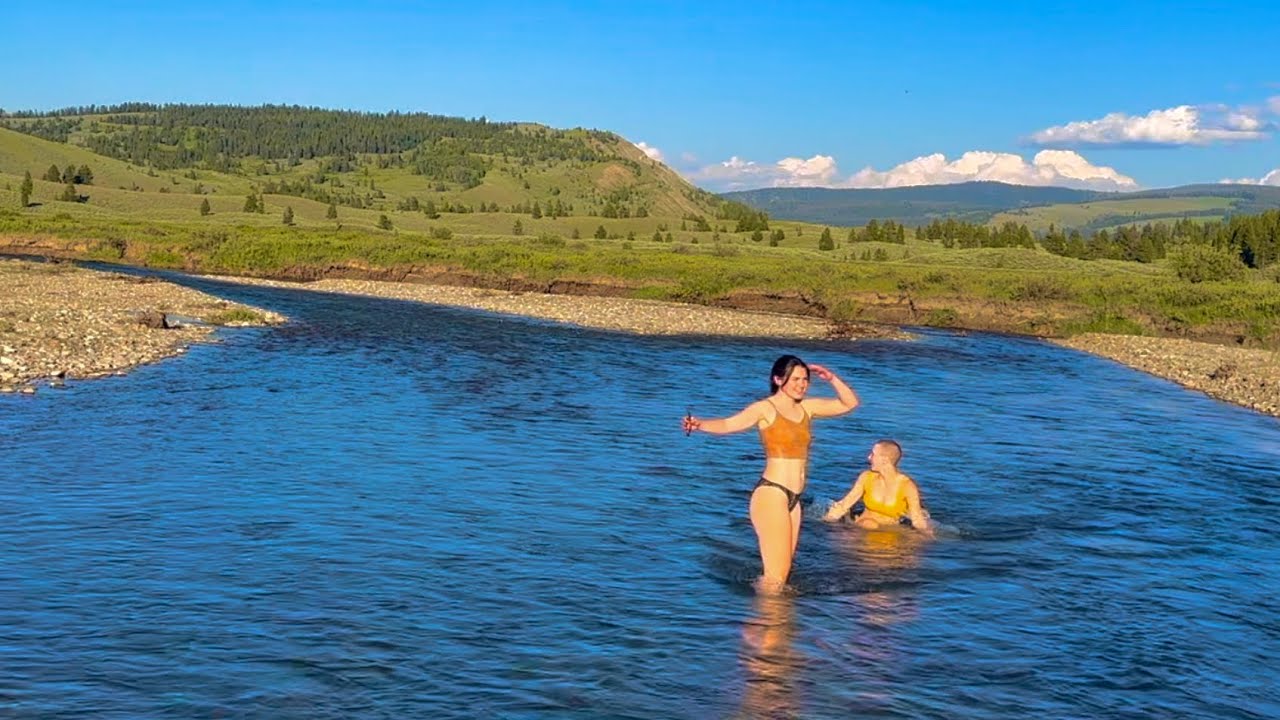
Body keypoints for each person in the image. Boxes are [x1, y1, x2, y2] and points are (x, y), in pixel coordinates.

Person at [683, 354, 860, 593]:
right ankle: (766, 624)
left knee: (782, 575)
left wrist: (831, 378)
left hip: (794, 500)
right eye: (795, 379)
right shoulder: (765, 408)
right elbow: (728, 424)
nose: (802, 384)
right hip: (772, 493)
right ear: (778, 379)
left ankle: (769, 627)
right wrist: (700, 424)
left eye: (805, 379)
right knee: (775, 579)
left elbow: (849, 403)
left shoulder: (807, 409)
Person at [822, 439, 933, 535]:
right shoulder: (866, 477)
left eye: (873, 454)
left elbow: (917, 519)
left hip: (887, 533)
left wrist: (928, 537)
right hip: (861, 528)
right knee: (869, 524)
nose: (869, 457)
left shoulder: (907, 486)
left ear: (884, 460)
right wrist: (826, 522)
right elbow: (845, 504)